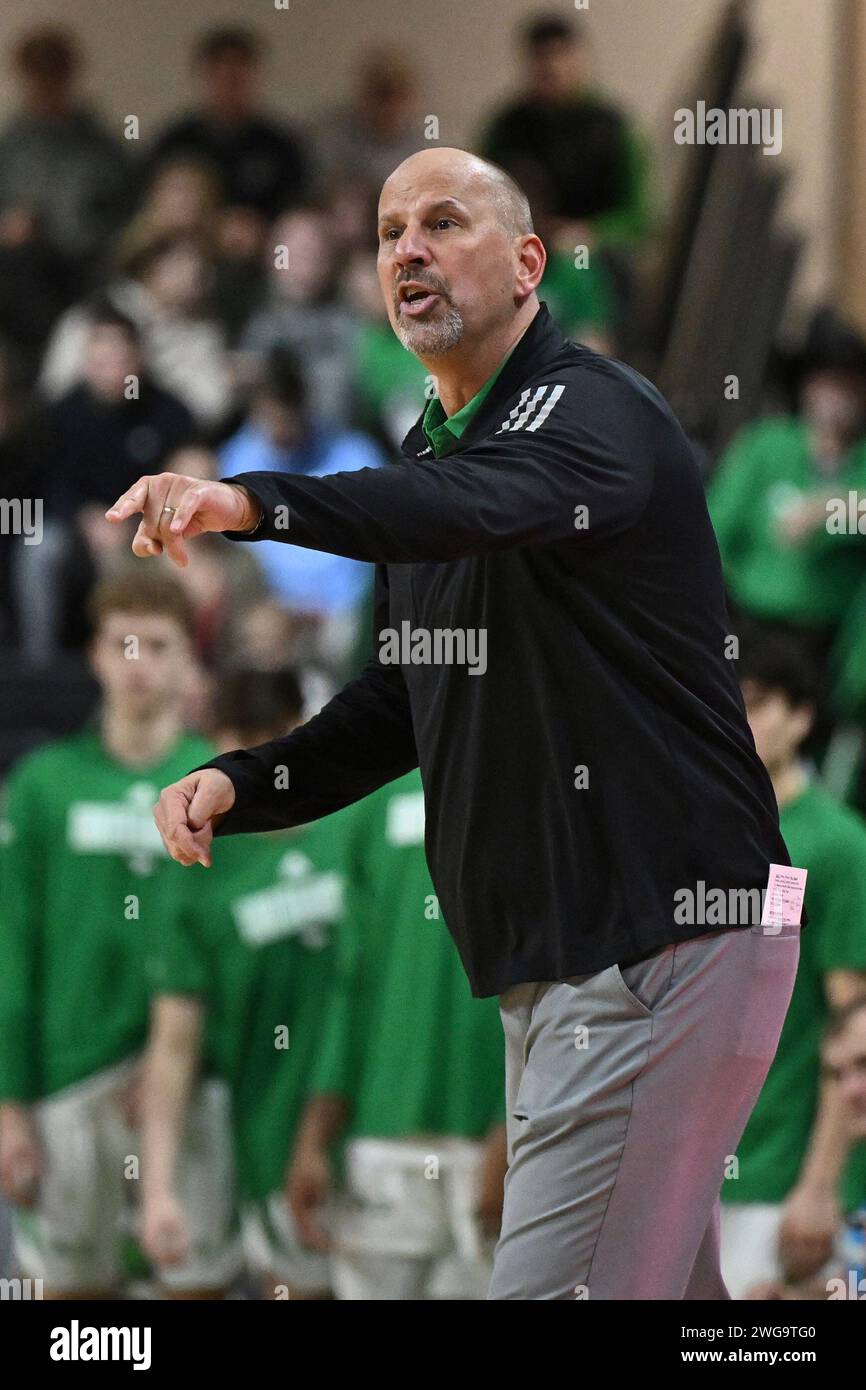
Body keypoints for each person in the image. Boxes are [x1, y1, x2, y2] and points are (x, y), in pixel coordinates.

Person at [107, 146, 800, 1300]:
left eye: (441, 223)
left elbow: (476, 506)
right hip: (570, 965)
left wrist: (252, 500)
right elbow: (402, 698)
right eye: (387, 234)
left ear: (529, 264)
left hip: (660, 937)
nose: (407, 251)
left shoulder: (593, 413)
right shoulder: (428, 462)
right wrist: (251, 781)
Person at [0, 572, 236, 1298]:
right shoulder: (43, 784)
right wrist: (9, 1107)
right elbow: (13, 948)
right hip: (68, 1083)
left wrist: (191, 1060)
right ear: (95, 655)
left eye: (158, 645)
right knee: (73, 1312)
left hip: (191, 1088)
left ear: (190, 661)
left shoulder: (223, 785)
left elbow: (240, 947)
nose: (138, 662)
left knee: (191, 1285)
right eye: (122, 643)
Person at [141, 669, 352, 1300]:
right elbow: (174, 1041)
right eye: (233, 748)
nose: (249, 772)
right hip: (258, 1127)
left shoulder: (355, 830)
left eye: (266, 742)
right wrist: (158, 1188)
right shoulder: (199, 864)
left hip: (372, 1126)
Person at [289, 766, 506, 1300]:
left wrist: (516, 1128)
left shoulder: (542, 783)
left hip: (497, 1140)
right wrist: (314, 1137)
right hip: (383, 1131)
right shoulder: (371, 806)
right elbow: (350, 984)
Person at [719, 638, 866, 1298]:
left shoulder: (838, 846)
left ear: (803, 717)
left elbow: (852, 1030)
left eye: (758, 705)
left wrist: (821, 1182)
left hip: (776, 1169)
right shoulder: (697, 827)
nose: (741, 722)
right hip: (686, 1163)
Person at [479, 13, 651, 251]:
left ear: (580, 58)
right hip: (519, 247)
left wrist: (591, 232)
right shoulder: (507, 126)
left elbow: (640, 217)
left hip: (595, 260)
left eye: (561, 54)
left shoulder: (612, 127)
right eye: (542, 57)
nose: (553, 66)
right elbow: (478, 194)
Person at [0, 27, 130, 277]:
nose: (44, 88)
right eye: (37, 77)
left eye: (52, 77)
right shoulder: (10, 147)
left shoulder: (102, 147)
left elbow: (125, 212)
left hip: (88, 268)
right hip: (23, 270)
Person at [148, 27, 310, 224]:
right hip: (193, 239)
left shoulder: (280, 145)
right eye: (223, 75)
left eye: (238, 77)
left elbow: (296, 202)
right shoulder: (176, 143)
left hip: (266, 239)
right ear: (205, 75)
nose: (230, 85)